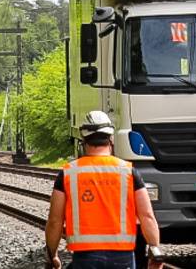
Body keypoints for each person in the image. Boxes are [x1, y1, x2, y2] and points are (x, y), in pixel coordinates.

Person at [45, 110, 164, 269]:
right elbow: (147, 216)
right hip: (122, 257)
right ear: (111, 139)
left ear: (83, 139)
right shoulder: (129, 172)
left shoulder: (68, 173)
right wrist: (154, 250)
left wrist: (52, 255)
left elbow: (55, 221)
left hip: (85, 257)